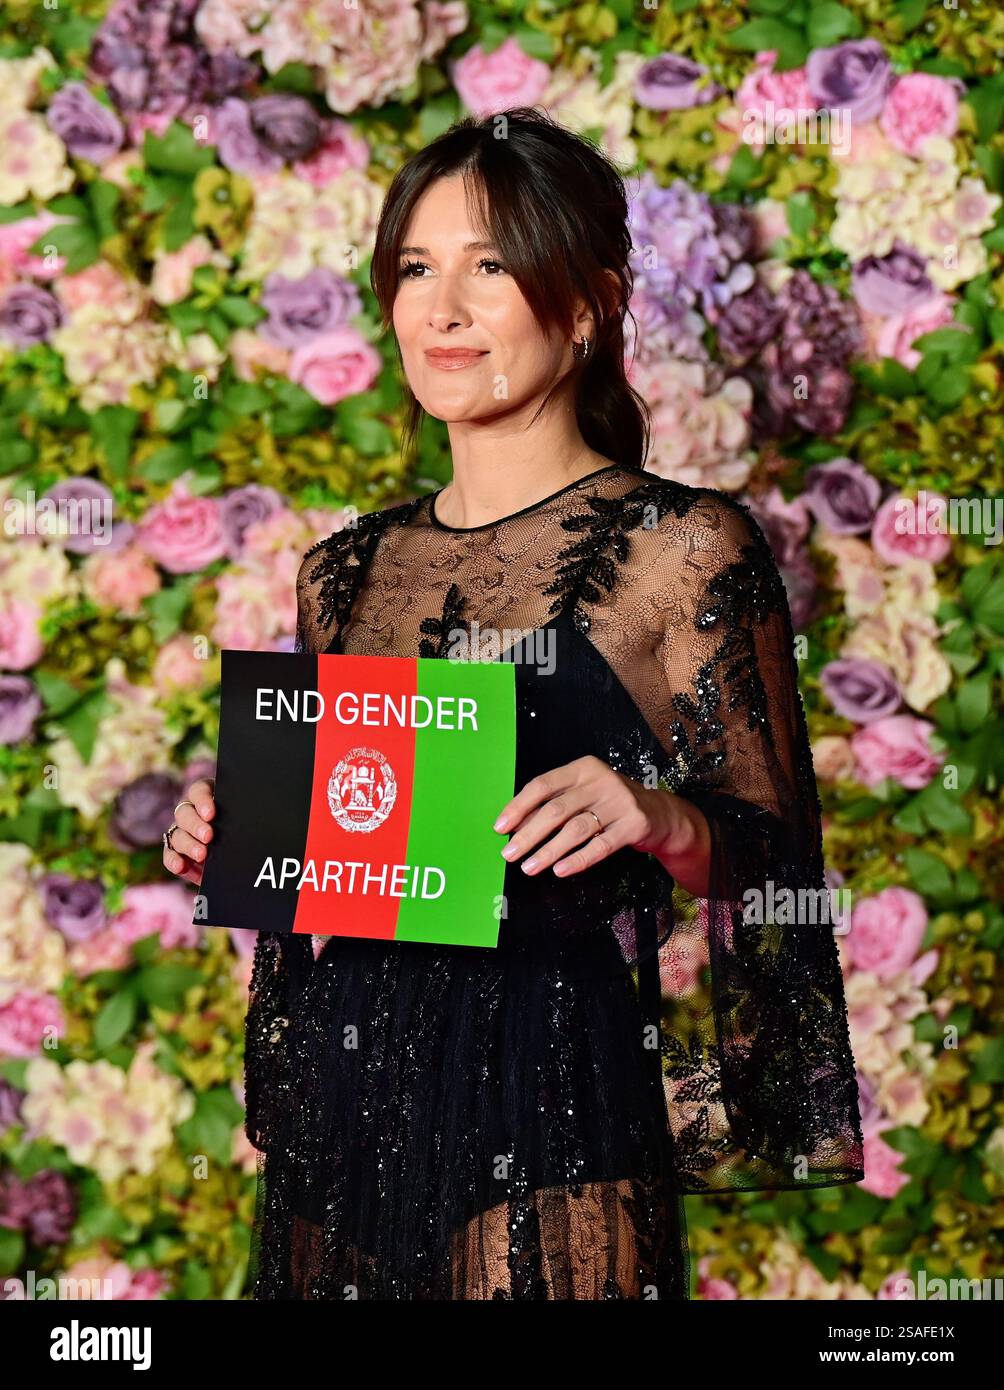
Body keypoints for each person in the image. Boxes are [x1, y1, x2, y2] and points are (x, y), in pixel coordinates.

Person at [163, 107, 864, 1300]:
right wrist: (243, 828)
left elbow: (775, 862)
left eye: (488, 267)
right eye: (416, 269)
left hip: (550, 1098)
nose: (440, 309)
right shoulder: (343, 572)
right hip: (352, 1112)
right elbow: (354, 860)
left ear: (583, 303)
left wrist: (659, 816)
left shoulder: (680, 550)